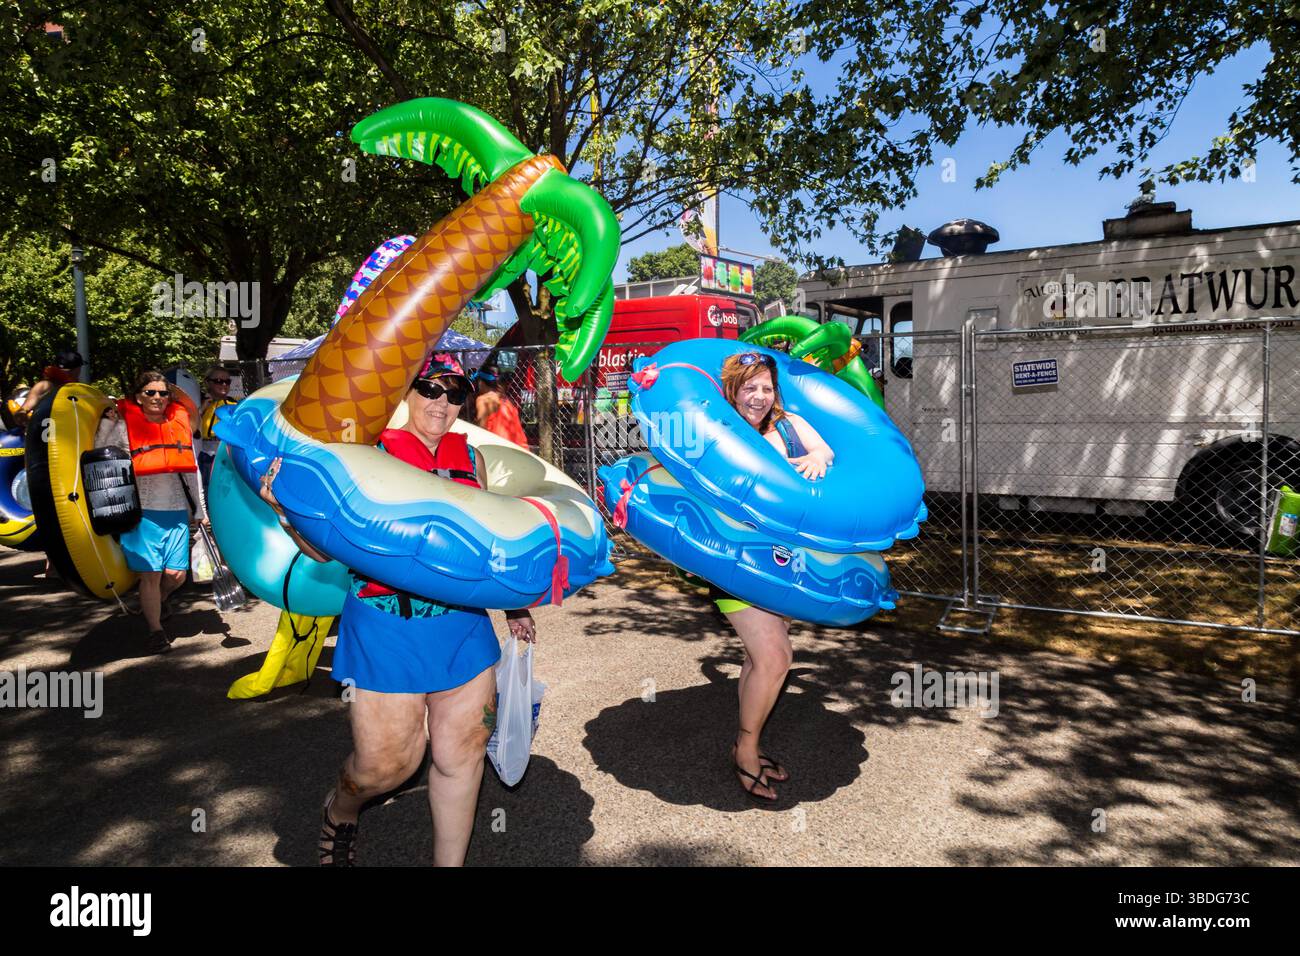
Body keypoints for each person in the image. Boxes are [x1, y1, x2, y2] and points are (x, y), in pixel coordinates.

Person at [259, 352, 537, 867]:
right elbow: (324, 551)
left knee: (463, 752)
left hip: (462, 627)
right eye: (429, 388)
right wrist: (285, 512)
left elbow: (487, 542)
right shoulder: (370, 453)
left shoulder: (471, 458)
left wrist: (515, 606)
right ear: (405, 391)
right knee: (385, 767)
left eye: (455, 392)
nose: (442, 402)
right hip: (387, 627)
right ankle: (341, 810)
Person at [713, 351, 834, 804]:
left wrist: (817, 457)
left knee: (758, 658)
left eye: (766, 387)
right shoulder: (719, 430)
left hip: (784, 560)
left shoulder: (789, 425)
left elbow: (826, 450)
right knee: (776, 657)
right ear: (732, 390)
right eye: (749, 387)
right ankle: (745, 750)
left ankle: (749, 742)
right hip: (735, 559)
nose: (759, 396)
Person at [95, 370, 209, 654]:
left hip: (176, 511)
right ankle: (155, 630)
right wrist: (107, 423)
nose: (157, 397)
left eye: (162, 393)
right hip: (143, 513)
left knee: (176, 575)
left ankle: (157, 601)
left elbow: (192, 471)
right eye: (150, 392)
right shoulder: (123, 426)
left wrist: (200, 509)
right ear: (139, 397)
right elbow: (100, 451)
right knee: (151, 574)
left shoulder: (178, 425)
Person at [13, 350, 83, 427]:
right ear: (76, 369)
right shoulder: (45, 386)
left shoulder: (78, 389)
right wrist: (28, 420)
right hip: (50, 432)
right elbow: (22, 412)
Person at [196, 365, 238, 490]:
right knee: (208, 488)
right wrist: (202, 408)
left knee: (227, 489)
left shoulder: (234, 404)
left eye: (227, 381)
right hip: (205, 452)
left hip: (227, 452)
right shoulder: (198, 403)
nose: (224, 385)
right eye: (219, 381)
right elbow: (188, 425)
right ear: (207, 382)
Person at [472, 364, 528, 448]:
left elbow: (481, 430)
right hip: (520, 450)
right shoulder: (509, 402)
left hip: (498, 450)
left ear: (481, 382)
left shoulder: (483, 400)